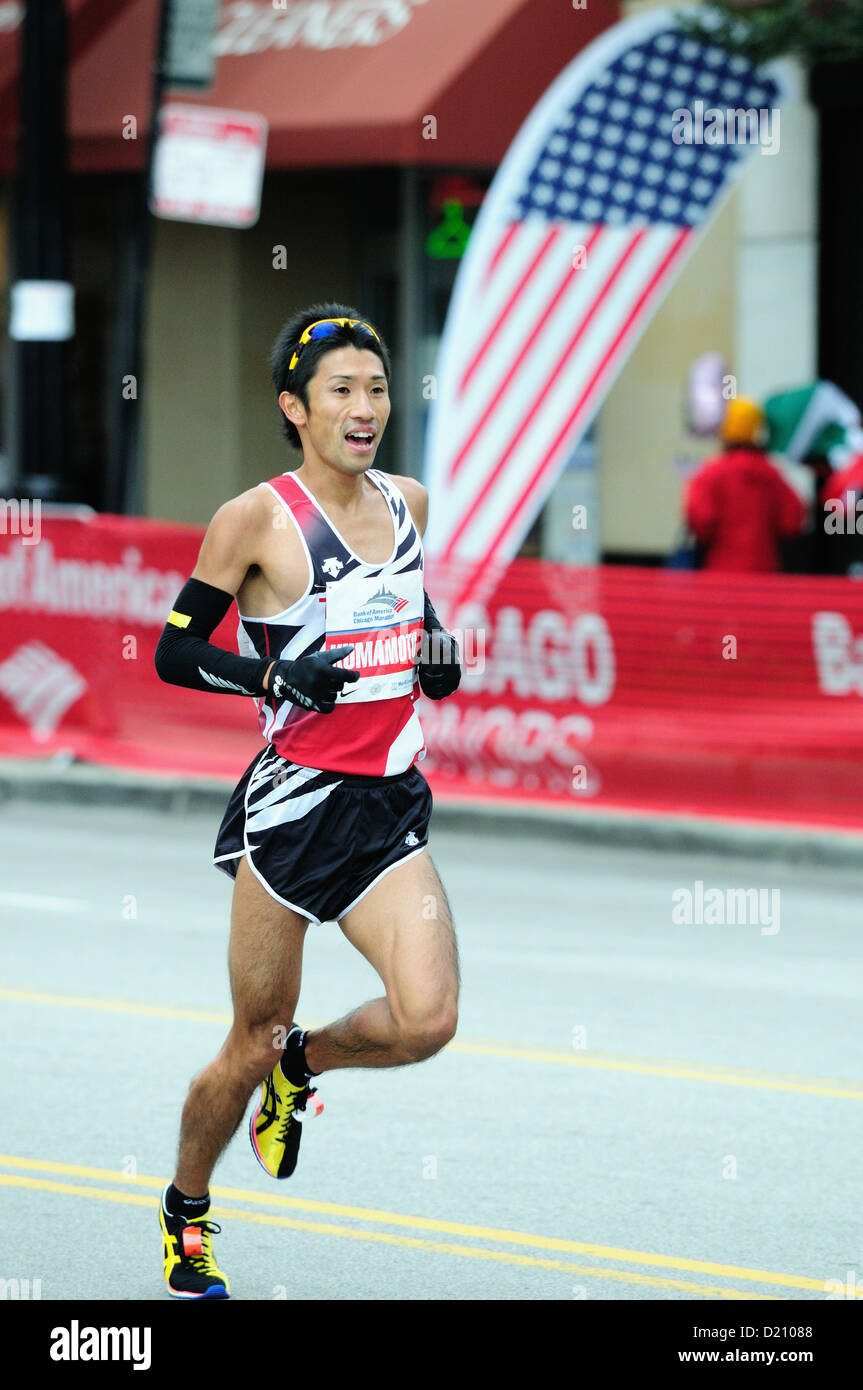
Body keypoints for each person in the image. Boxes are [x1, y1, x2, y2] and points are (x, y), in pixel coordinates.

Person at [152, 305, 462, 1299]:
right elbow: (175, 650)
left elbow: (418, 619)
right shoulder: (254, 520)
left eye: (375, 387)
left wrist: (438, 653)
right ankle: (187, 1212)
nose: (365, 406)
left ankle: (306, 1068)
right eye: (341, 390)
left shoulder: (409, 500)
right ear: (294, 406)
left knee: (427, 1021)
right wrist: (273, 679)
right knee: (248, 1036)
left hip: (385, 808)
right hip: (291, 810)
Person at [683, 397, 805, 572]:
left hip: (720, 574)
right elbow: (792, 520)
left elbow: (700, 520)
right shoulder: (771, 474)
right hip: (765, 574)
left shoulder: (711, 473)